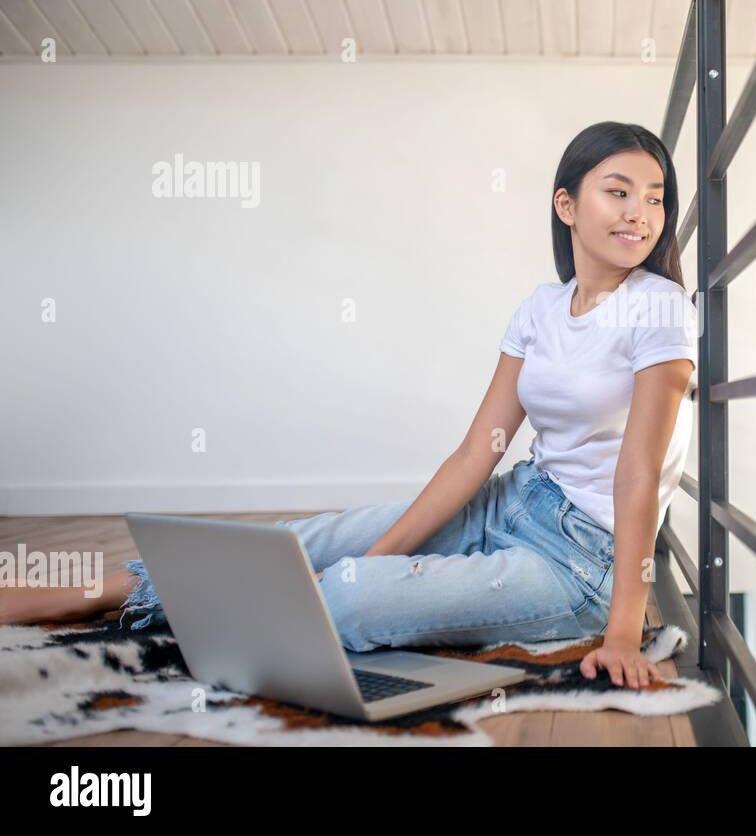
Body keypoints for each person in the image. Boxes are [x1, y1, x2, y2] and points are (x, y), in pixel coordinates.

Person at [1, 121, 698, 691]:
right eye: (619, 191)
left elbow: (638, 475)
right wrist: (375, 552)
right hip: (515, 500)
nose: (642, 212)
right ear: (567, 204)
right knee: (309, 544)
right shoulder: (540, 309)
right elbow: (474, 453)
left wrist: (622, 632)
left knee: (348, 602)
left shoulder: (661, 310)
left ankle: (199, 622)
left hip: (581, 562)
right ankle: (93, 592)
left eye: (656, 197)